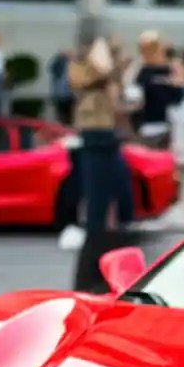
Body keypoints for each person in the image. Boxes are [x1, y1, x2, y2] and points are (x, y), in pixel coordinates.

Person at [68, 28, 135, 239]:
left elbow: (116, 93)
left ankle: (124, 227)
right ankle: (95, 236)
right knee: (96, 192)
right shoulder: (80, 67)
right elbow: (90, 80)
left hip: (108, 133)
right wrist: (114, 66)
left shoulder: (108, 72)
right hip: (92, 134)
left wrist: (119, 69)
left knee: (121, 185)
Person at [133, 30, 184, 150]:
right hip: (149, 122)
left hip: (164, 122)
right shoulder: (144, 71)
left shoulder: (168, 71)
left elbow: (179, 96)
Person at [48, 48, 75, 126]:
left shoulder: (73, 64)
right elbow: (52, 68)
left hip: (70, 93)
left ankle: (67, 124)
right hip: (60, 93)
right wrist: (59, 57)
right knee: (60, 112)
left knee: (69, 113)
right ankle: (62, 124)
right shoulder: (59, 63)